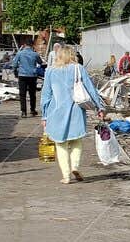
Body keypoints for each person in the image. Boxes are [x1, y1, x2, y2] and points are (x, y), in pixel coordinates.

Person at [40, 44, 103, 185]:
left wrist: (44, 115)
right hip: (76, 110)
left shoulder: (50, 71)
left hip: (55, 111)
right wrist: (99, 107)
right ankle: (75, 166)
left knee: (60, 144)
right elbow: (91, 89)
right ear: (72, 55)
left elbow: (46, 95)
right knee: (76, 140)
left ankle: (66, 176)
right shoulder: (78, 69)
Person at [11, 37, 45, 118]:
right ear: (32, 45)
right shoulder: (35, 54)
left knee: (22, 94)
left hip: (22, 75)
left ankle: (23, 111)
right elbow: (40, 62)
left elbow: (14, 64)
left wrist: (15, 72)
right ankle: (32, 110)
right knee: (32, 94)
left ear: (24, 44)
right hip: (32, 76)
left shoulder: (20, 53)